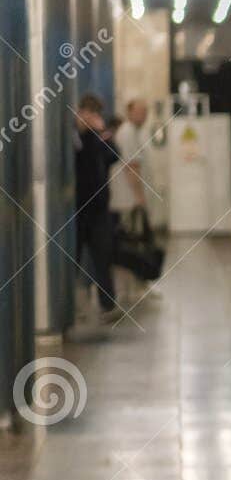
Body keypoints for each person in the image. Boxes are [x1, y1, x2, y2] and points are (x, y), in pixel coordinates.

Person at [74, 94, 120, 324]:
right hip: (76, 210)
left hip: (99, 208)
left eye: (96, 115)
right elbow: (76, 158)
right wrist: (82, 131)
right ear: (81, 112)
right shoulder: (73, 136)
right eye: (91, 114)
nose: (94, 118)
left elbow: (114, 156)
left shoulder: (96, 137)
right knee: (72, 258)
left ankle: (108, 304)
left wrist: (102, 133)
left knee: (103, 255)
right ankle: (71, 306)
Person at [110, 97, 157, 302]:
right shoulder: (128, 133)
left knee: (134, 243)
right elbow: (132, 167)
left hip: (129, 199)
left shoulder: (133, 132)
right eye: (140, 111)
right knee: (132, 244)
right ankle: (131, 289)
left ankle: (137, 286)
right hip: (128, 200)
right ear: (130, 112)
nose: (144, 115)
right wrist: (140, 198)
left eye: (145, 111)